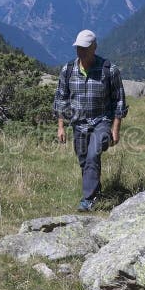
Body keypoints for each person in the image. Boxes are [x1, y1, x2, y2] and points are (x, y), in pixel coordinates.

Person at [53, 29, 128, 212]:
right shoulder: (68, 70)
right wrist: (61, 127)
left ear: (94, 47)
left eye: (85, 48)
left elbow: (119, 99)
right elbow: (61, 99)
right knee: (84, 160)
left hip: (101, 121)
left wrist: (115, 128)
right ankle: (96, 191)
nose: (81, 52)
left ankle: (88, 200)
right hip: (78, 123)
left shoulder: (109, 70)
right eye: (78, 48)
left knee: (93, 155)